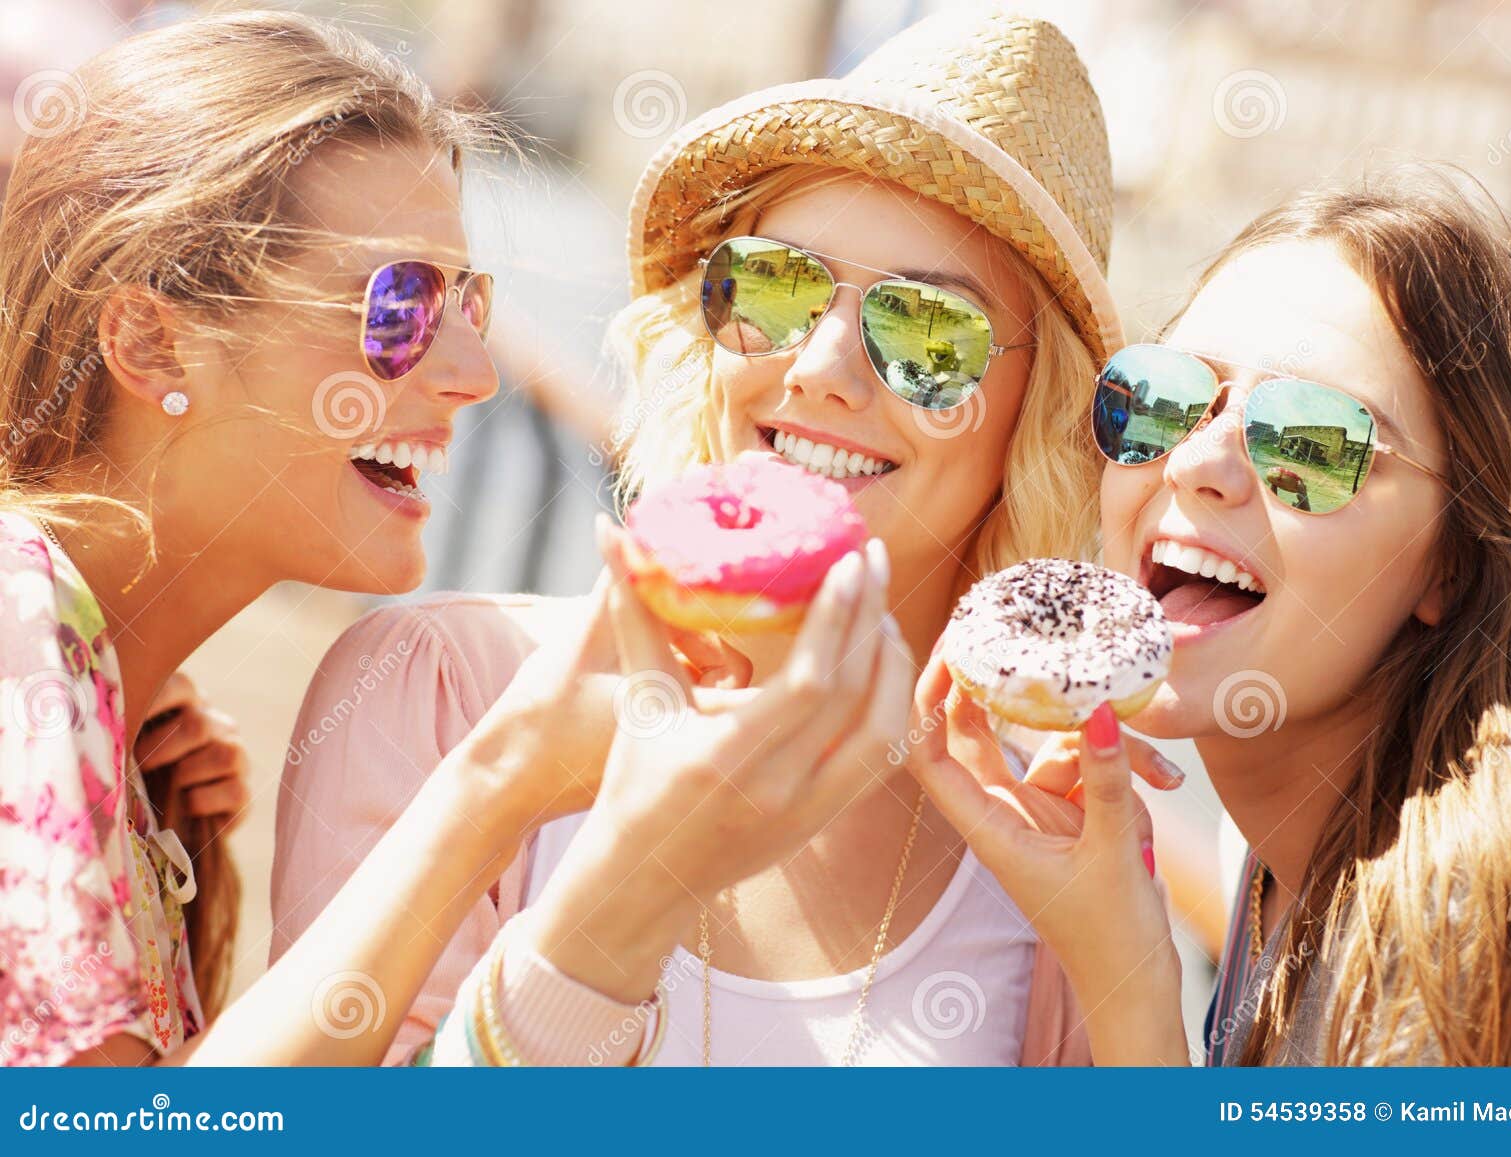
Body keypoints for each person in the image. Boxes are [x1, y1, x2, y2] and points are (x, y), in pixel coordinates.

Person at [272, 9, 1184, 1066]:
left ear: (1036, 413)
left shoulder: (1062, 839)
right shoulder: (440, 693)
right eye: (773, 287)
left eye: (930, 331)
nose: (819, 367)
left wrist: (1131, 983)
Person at [0, 9, 881, 1069]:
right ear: (152, 339)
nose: (474, 370)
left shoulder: (111, 722)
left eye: (468, 300)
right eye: (399, 304)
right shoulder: (18, 627)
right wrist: (499, 780)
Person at [911, 168, 1511, 1066]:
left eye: (1308, 440)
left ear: (1453, 563)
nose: (1197, 460)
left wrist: (1124, 973)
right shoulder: (1283, 849)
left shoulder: (1478, 937)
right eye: (1161, 397)